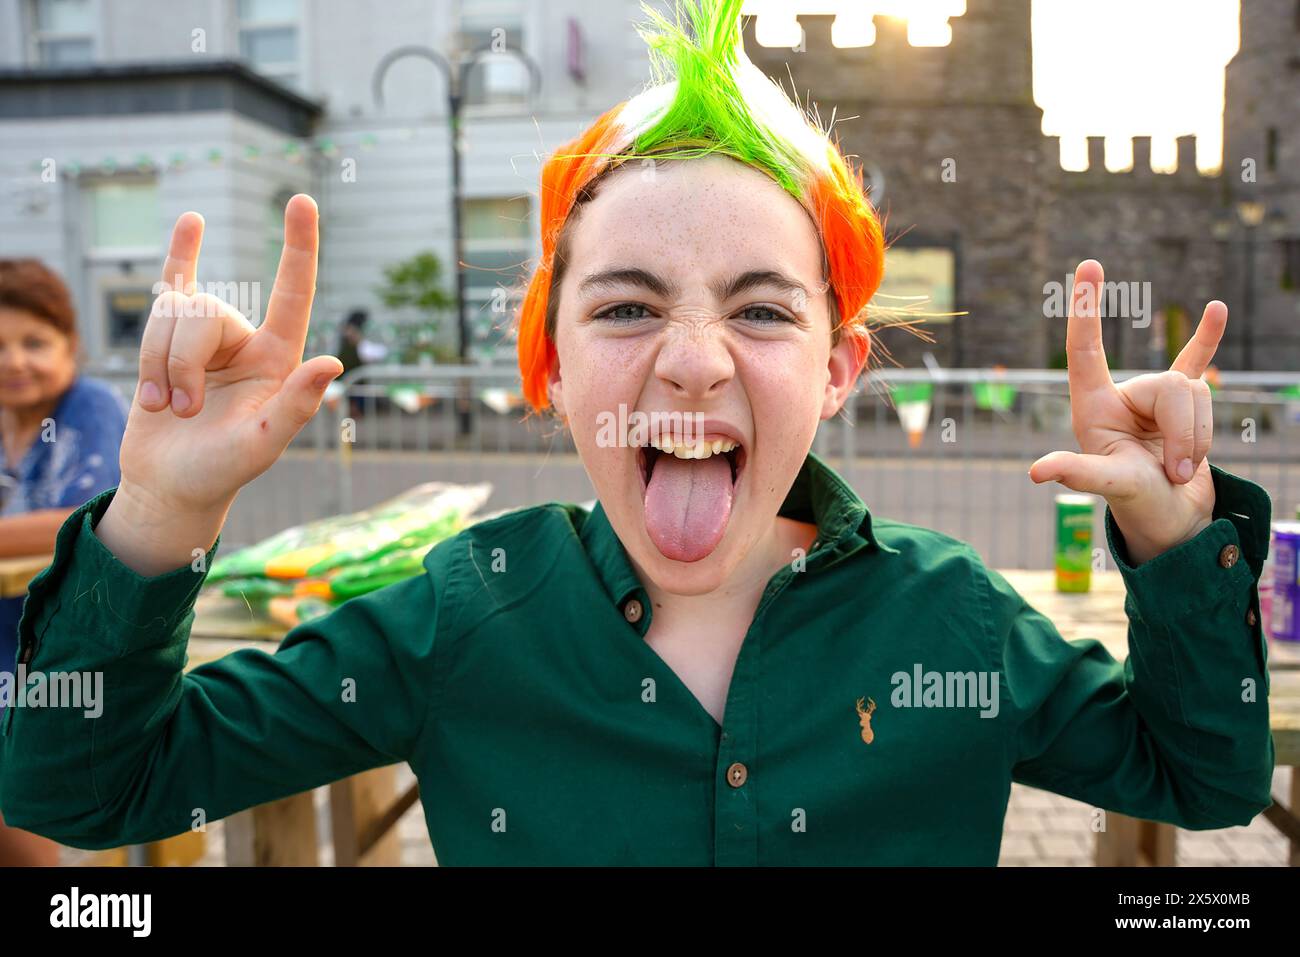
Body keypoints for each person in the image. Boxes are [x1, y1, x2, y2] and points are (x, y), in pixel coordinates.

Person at [0, 0, 1274, 865]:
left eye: (761, 309)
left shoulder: (954, 624)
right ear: (549, 363)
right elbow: (81, 788)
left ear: (838, 371)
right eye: (625, 304)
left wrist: (1173, 545)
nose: (691, 356)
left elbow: (1203, 781)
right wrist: (161, 517)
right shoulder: (458, 615)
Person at [0, 258, 128, 865]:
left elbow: (82, 515)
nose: (13, 361)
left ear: (70, 345)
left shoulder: (92, 408)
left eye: (34, 342)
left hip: (68, 644)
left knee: (13, 778)